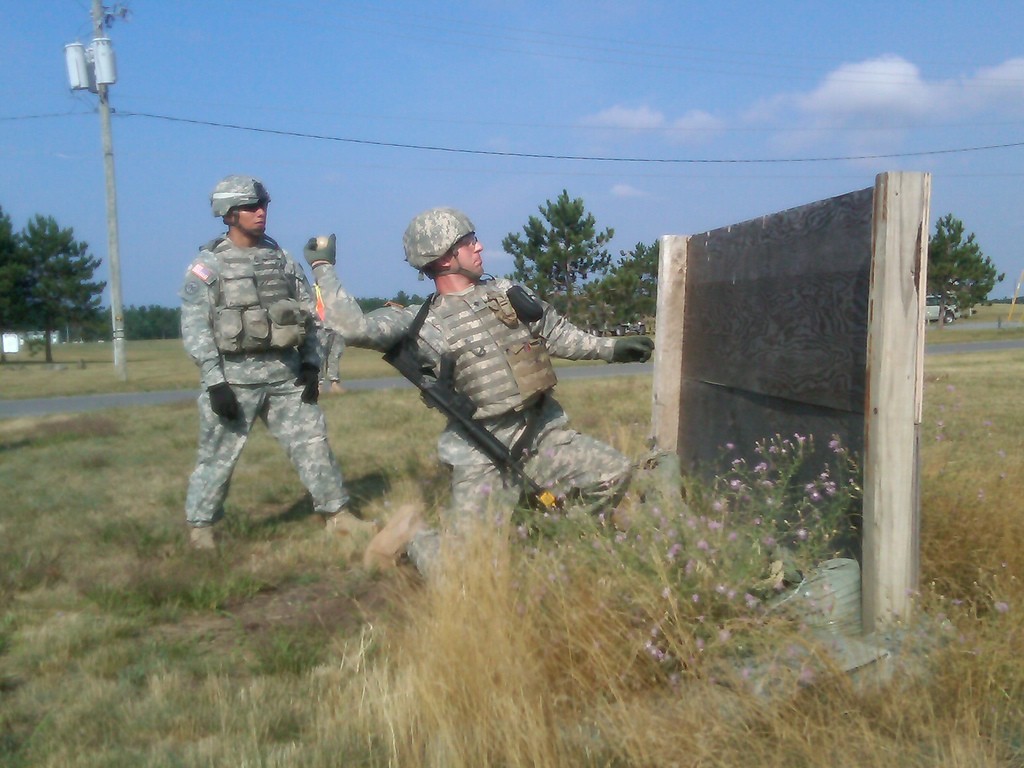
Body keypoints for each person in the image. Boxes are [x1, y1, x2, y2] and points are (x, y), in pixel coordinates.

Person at [302, 207, 654, 573]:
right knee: (467, 572)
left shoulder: (507, 293)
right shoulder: (419, 321)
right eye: (469, 242)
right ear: (443, 256)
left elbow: (557, 334)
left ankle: (562, 541)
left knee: (614, 473)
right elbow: (350, 327)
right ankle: (417, 540)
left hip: (541, 432)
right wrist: (322, 268)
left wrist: (611, 349)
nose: (480, 247)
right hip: (480, 451)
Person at [179, 174, 375, 550]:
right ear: (228, 213)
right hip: (233, 379)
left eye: (263, 205)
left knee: (313, 444)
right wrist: (214, 380)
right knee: (217, 456)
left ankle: (338, 516)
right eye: (250, 207)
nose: (260, 212)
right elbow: (196, 327)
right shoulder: (208, 267)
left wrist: (311, 364)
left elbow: (309, 314)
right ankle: (201, 528)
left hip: (286, 375)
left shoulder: (282, 260)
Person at [313, 285, 346, 394]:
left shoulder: (333, 287)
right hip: (320, 326)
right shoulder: (314, 289)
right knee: (320, 357)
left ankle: (334, 383)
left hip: (335, 326)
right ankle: (318, 384)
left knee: (335, 355)